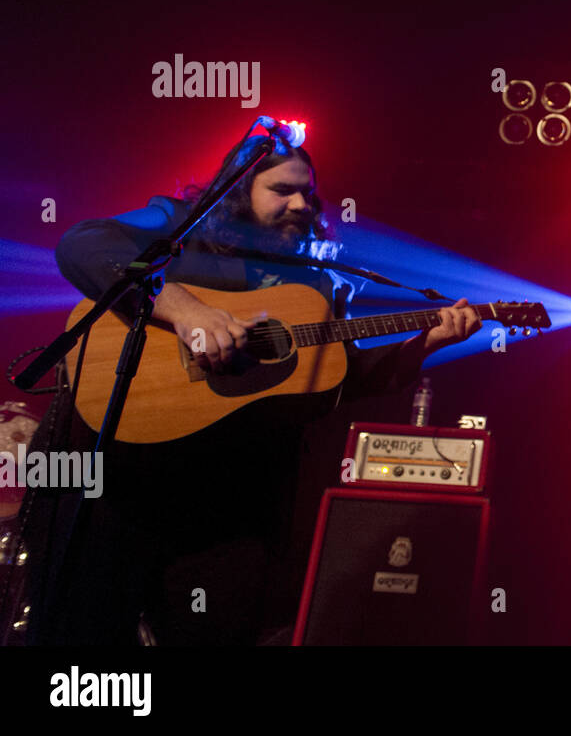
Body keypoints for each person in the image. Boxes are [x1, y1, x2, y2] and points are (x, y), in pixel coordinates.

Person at [24, 135, 481, 645]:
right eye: (282, 190)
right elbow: (84, 243)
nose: (301, 205)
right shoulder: (178, 221)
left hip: (230, 498)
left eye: (308, 195)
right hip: (115, 476)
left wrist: (423, 344)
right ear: (238, 190)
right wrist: (188, 312)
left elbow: (333, 377)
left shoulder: (318, 280)